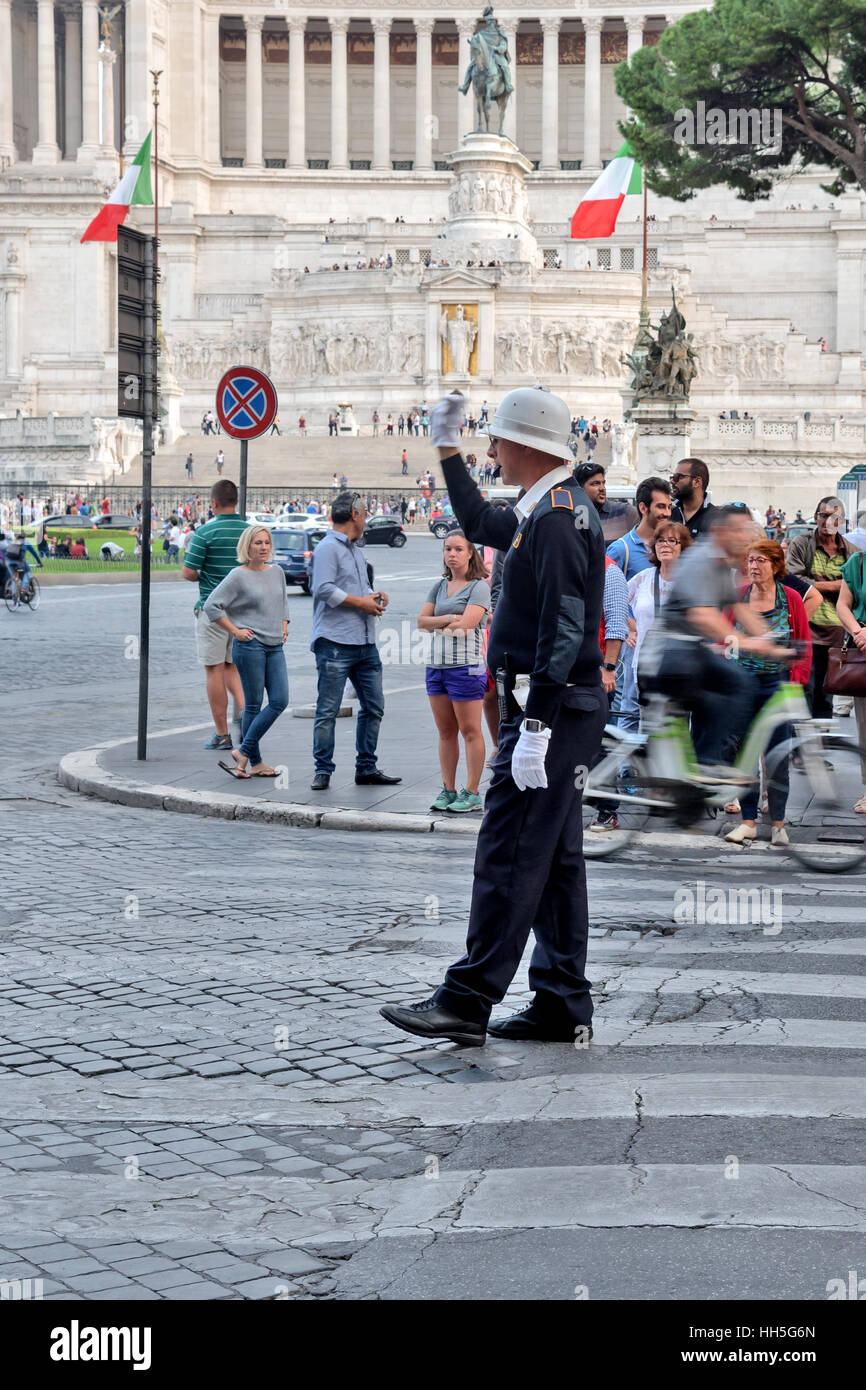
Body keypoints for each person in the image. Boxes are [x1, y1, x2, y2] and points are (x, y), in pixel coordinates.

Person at [380, 385, 607, 1047]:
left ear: (527, 444)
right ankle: (562, 999)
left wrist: (534, 727)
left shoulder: (560, 517)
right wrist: (446, 450)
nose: (491, 450)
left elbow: (564, 632)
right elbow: (480, 523)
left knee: (507, 851)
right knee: (557, 860)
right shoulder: (551, 507)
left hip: (551, 712)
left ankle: (467, 998)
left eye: (495, 439)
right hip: (556, 709)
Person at [640, 507, 787, 773]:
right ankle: (708, 764)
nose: (745, 538)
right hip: (672, 653)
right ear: (721, 532)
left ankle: (701, 767)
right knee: (737, 684)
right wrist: (747, 642)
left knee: (731, 689)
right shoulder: (702, 560)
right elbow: (702, 616)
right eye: (739, 531)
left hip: (687, 652)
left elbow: (740, 608)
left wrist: (773, 641)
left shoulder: (720, 563)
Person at [308, 492, 402, 791]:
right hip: (335, 641)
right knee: (328, 710)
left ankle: (366, 767)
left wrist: (374, 596)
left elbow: (357, 589)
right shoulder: (328, 548)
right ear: (355, 515)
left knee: (374, 707)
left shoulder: (355, 550)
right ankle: (323, 769)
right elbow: (322, 588)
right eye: (365, 513)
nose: (366, 519)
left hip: (364, 641)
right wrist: (361, 604)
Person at [724, 539, 812, 847]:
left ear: (775, 566)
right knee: (744, 755)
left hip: (777, 686)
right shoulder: (738, 599)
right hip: (743, 686)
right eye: (750, 560)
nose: (753, 566)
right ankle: (747, 821)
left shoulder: (791, 599)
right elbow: (724, 639)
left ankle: (777, 823)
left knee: (777, 757)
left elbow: (802, 644)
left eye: (760, 560)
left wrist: (796, 683)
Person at [204, 526, 290, 779]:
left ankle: (243, 755)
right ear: (247, 547)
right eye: (257, 543)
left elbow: (283, 604)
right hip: (250, 645)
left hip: (275, 646)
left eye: (266, 542)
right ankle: (253, 761)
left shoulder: (277, 572)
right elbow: (212, 606)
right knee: (253, 704)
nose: (263, 547)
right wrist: (234, 631)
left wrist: (283, 626)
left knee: (279, 700)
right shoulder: (237, 576)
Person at [421, 532, 491, 815]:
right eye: (448, 549)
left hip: (466, 667)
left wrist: (440, 622)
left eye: (458, 549)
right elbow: (420, 621)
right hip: (436, 666)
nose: (452, 554)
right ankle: (448, 789)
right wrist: (451, 618)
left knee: (470, 730)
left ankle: (472, 792)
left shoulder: (478, 587)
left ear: (470, 553)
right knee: (446, 731)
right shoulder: (439, 586)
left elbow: (468, 626)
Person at [181, 479, 248, 750]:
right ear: (236, 502)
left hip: (212, 609)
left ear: (214, 503)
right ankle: (244, 712)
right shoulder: (249, 531)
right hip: (242, 611)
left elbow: (188, 572)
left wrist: (207, 573)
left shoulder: (205, 533)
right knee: (233, 666)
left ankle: (222, 734)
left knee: (214, 669)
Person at [786, 496, 857, 718]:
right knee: (803, 693)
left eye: (834, 517)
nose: (828, 522)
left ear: (842, 521)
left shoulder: (852, 552)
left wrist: (815, 585)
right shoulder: (801, 544)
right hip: (807, 630)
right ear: (816, 517)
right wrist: (837, 585)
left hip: (837, 634)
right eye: (824, 515)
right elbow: (794, 581)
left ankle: (820, 748)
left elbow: (855, 591)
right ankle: (802, 748)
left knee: (826, 696)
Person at [836, 547, 866, 811]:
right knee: (865, 726)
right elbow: (842, 605)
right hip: (863, 649)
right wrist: (858, 632)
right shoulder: (857, 563)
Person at [669, 457, 720, 539]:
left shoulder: (716, 518)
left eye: (678, 477)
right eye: (672, 477)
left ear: (697, 482)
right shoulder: (668, 515)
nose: (672, 481)